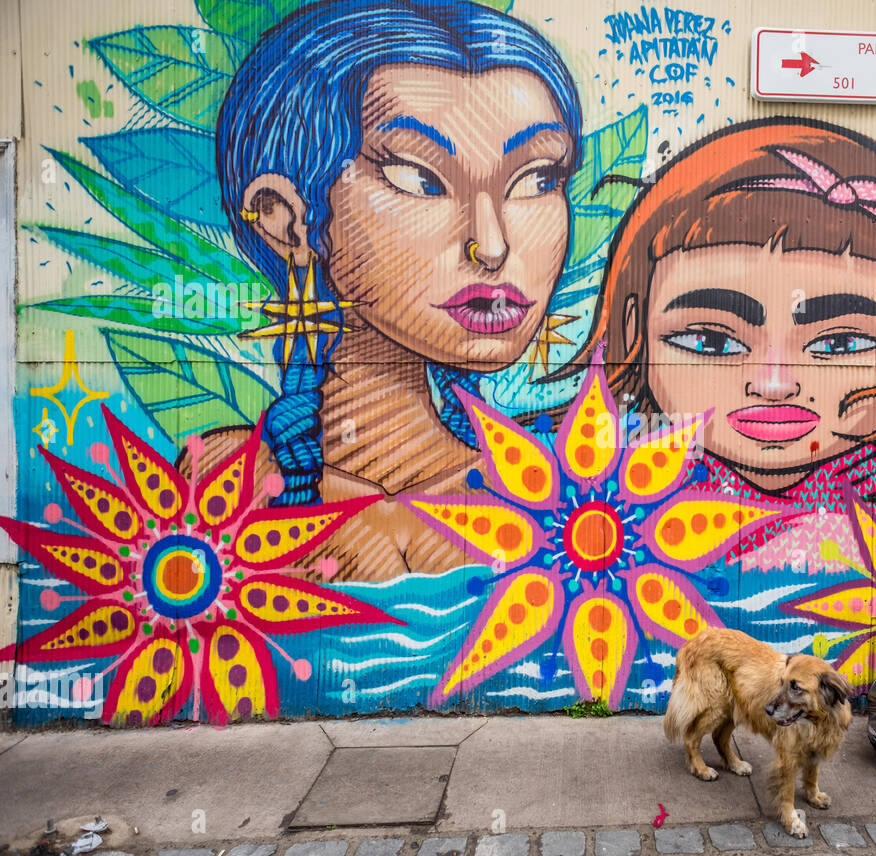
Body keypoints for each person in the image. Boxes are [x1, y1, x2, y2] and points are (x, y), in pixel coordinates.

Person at [192, 0, 583, 578]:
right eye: (419, 179)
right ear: (288, 221)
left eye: (537, 179)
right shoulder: (226, 481)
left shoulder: (564, 495)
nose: (492, 246)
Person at [564, 118, 876, 555]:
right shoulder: (617, 506)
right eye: (711, 342)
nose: (774, 384)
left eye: (840, 343)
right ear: (633, 325)